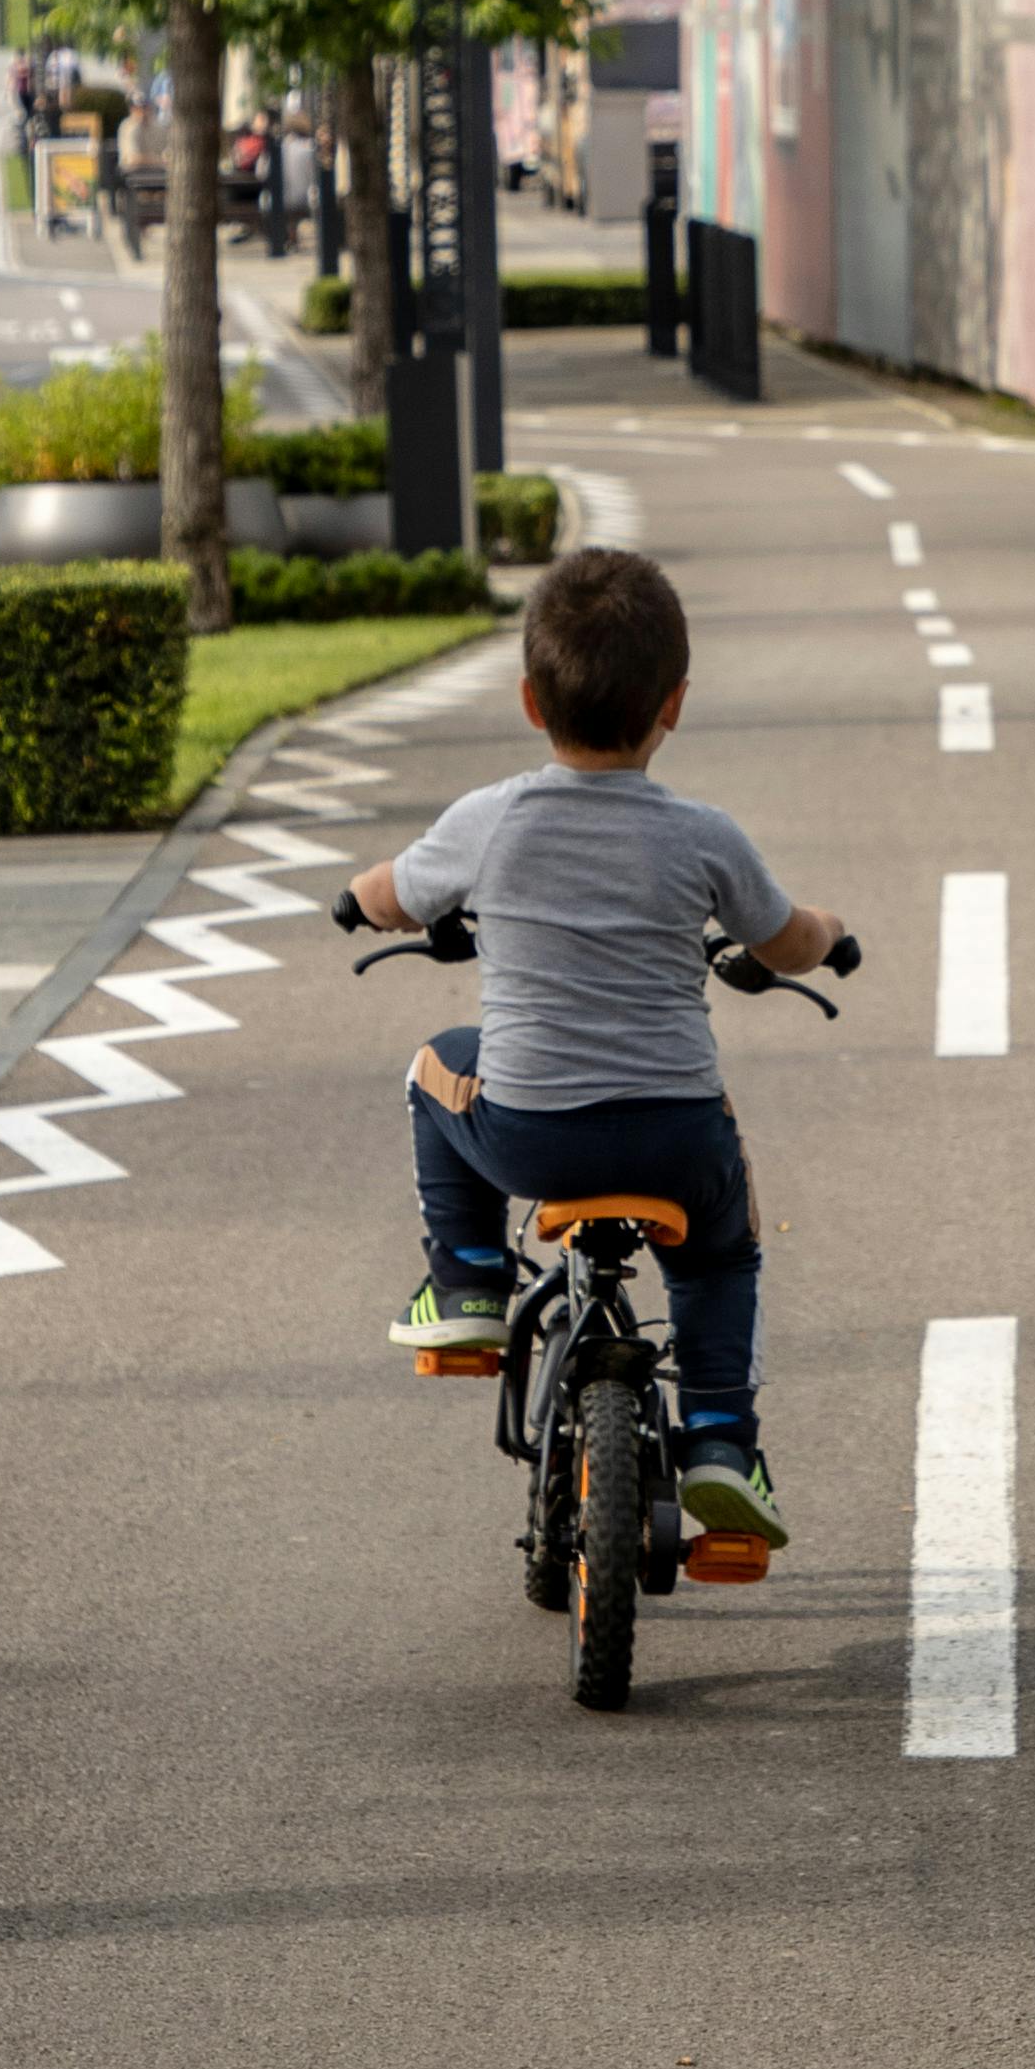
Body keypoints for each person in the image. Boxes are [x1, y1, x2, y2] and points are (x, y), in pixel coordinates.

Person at [349, 542, 839, 1561]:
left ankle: (473, 1281)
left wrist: (356, 902)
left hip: (533, 1140)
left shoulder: (488, 821)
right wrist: (828, 938)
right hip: (673, 1141)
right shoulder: (704, 837)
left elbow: (395, 892)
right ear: (675, 703)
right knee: (722, 1241)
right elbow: (784, 937)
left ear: (531, 702)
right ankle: (717, 1437)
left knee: (436, 1061)